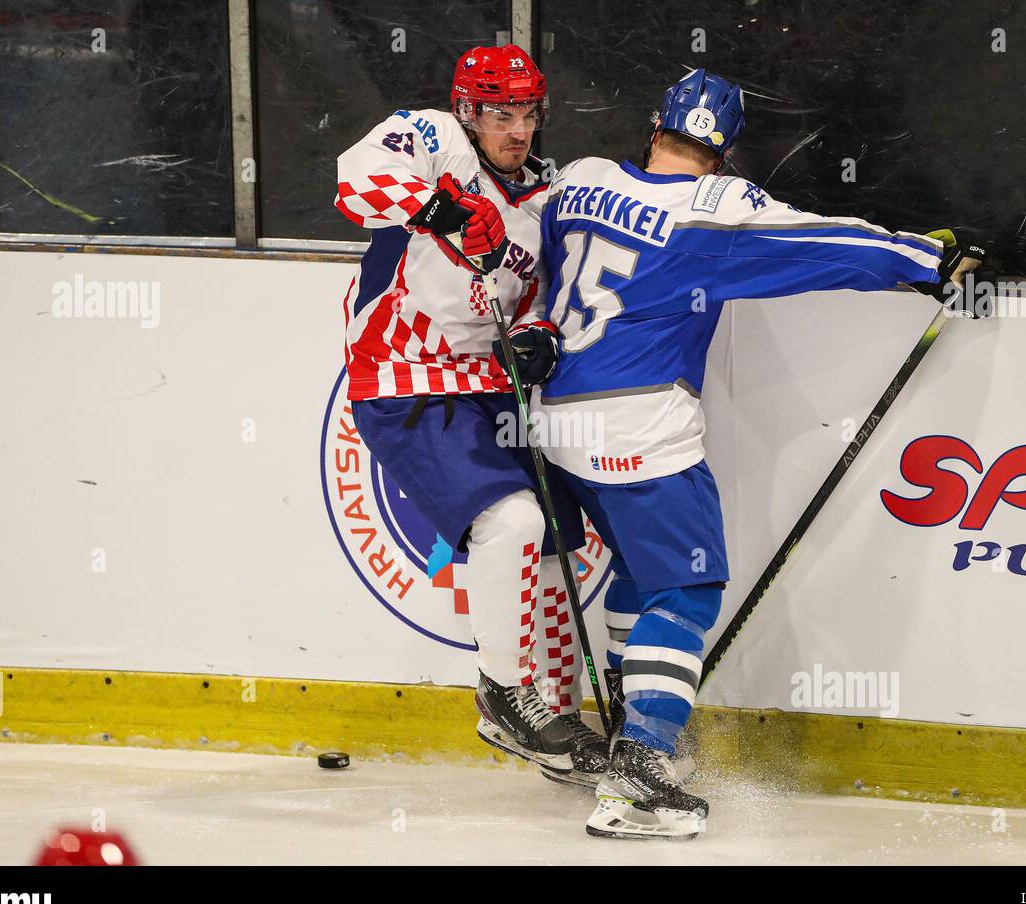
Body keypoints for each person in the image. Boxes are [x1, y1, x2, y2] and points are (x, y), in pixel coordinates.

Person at [535, 68, 989, 839]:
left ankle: (623, 731)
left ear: (655, 126)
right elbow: (818, 242)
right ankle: (639, 775)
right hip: (638, 423)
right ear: (725, 152)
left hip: (556, 422)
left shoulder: (580, 180)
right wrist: (925, 259)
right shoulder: (714, 207)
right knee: (687, 591)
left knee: (643, 576)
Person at [334, 45, 608, 786]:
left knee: (554, 543)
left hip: (489, 385)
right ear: (467, 111)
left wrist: (538, 336)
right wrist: (449, 211)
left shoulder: (549, 199)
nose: (517, 130)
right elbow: (355, 185)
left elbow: (552, 293)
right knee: (512, 522)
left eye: (528, 114)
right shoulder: (434, 140)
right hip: (404, 375)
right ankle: (502, 694)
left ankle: (556, 716)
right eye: (499, 114)